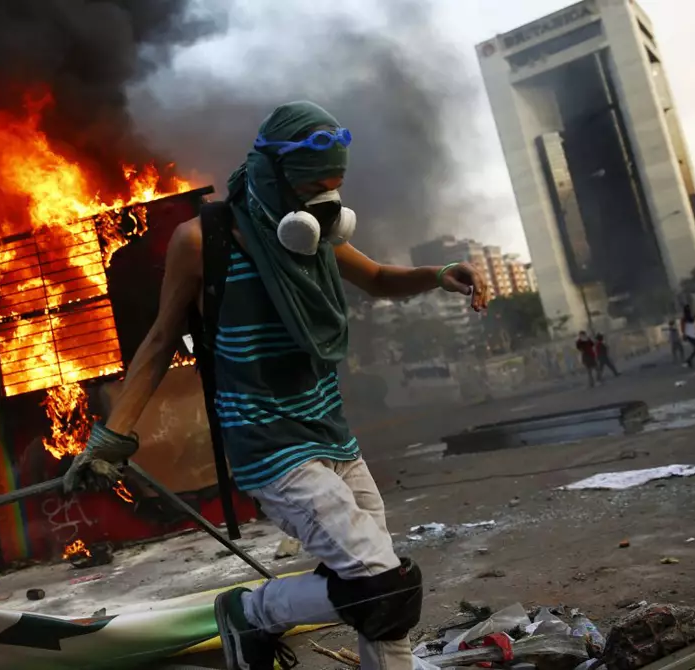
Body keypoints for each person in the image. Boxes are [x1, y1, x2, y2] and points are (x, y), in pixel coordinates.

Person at [60, 101, 490, 670]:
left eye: (335, 187)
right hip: (268, 444)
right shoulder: (201, 240)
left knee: (377, 586)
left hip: (332, 436)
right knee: (381, 583)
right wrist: (112, 439)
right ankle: (251, 614)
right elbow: (162, 339)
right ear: (272, 173)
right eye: (315, 185)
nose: (325, 203)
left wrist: (437, 276)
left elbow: (380, 279)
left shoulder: (315, 233)